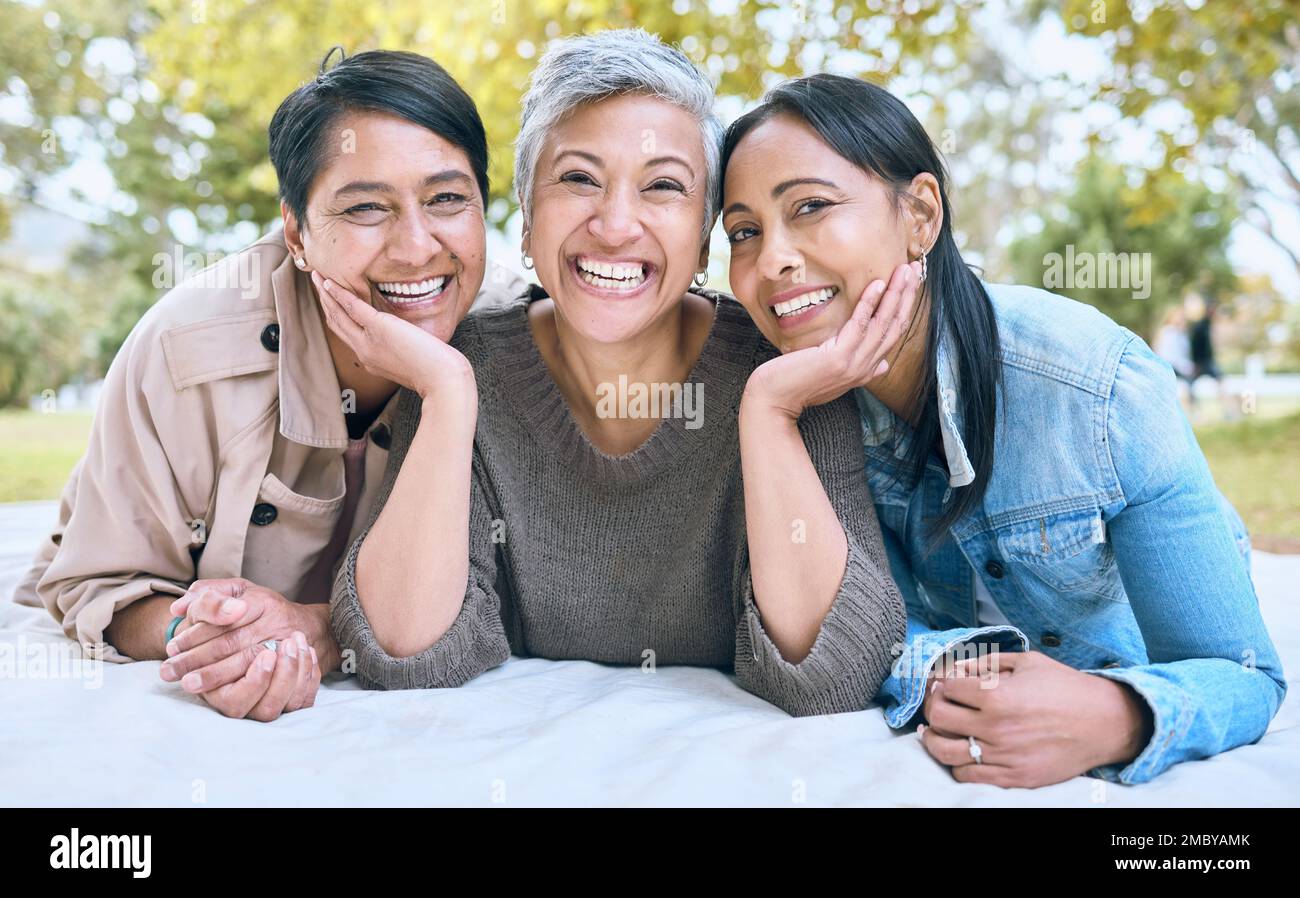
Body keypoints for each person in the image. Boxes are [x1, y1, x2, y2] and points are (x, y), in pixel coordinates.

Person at [719, 73, 1285, 784]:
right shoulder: (795, 402)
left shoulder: (1096, 388)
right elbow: (837, 647)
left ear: (921, 215)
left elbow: (1243, 672)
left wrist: (1114, 714)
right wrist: (769, 407)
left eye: (810, 206)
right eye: (744, 231)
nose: (772, 259)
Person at [323, 29, 908, 716]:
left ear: (701, 239)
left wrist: (769, 412)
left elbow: (832, 674)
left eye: (663, 186)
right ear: (527, 219)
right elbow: (403, 652)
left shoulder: (786, 365)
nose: (615, 224)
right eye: (578, 179)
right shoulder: (463, 364)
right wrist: (450, 392)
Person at [12, 48, 521, 721]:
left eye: (448, 198)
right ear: (297, 233)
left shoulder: (517, 341)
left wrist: (323, 630)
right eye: (367, 208)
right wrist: (208, 637)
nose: (416, 246)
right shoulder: (183, 351)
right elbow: (102, 585)